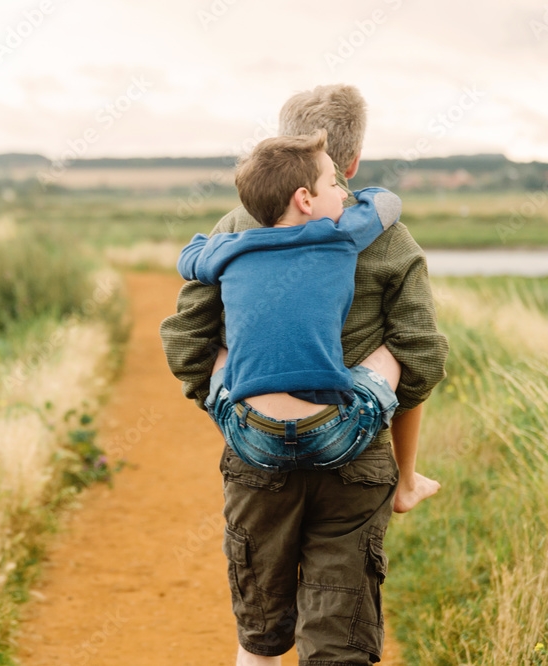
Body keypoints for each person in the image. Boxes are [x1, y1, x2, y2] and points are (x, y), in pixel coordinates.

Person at [159, 84, 449, 665]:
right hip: (355, 454)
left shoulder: (233, 230)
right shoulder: (383, 233)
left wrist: (232, 409)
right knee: (339, 642)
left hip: (257, 451)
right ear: (354, 161)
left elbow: (187, 341)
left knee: (260, 636)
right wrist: (396, 448)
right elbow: (421, 356)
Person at [177, 130, 439, 512]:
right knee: (397, 348)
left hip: (251, 440)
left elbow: (188, 260)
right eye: (334, 184)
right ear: (304, 199)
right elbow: (385, 205)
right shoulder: (338, 236)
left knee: (223, 353)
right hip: (334, 435)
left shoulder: (229, 248)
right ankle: (409, 484)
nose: (344, 194)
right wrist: (365, 194)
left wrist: (211, 245)